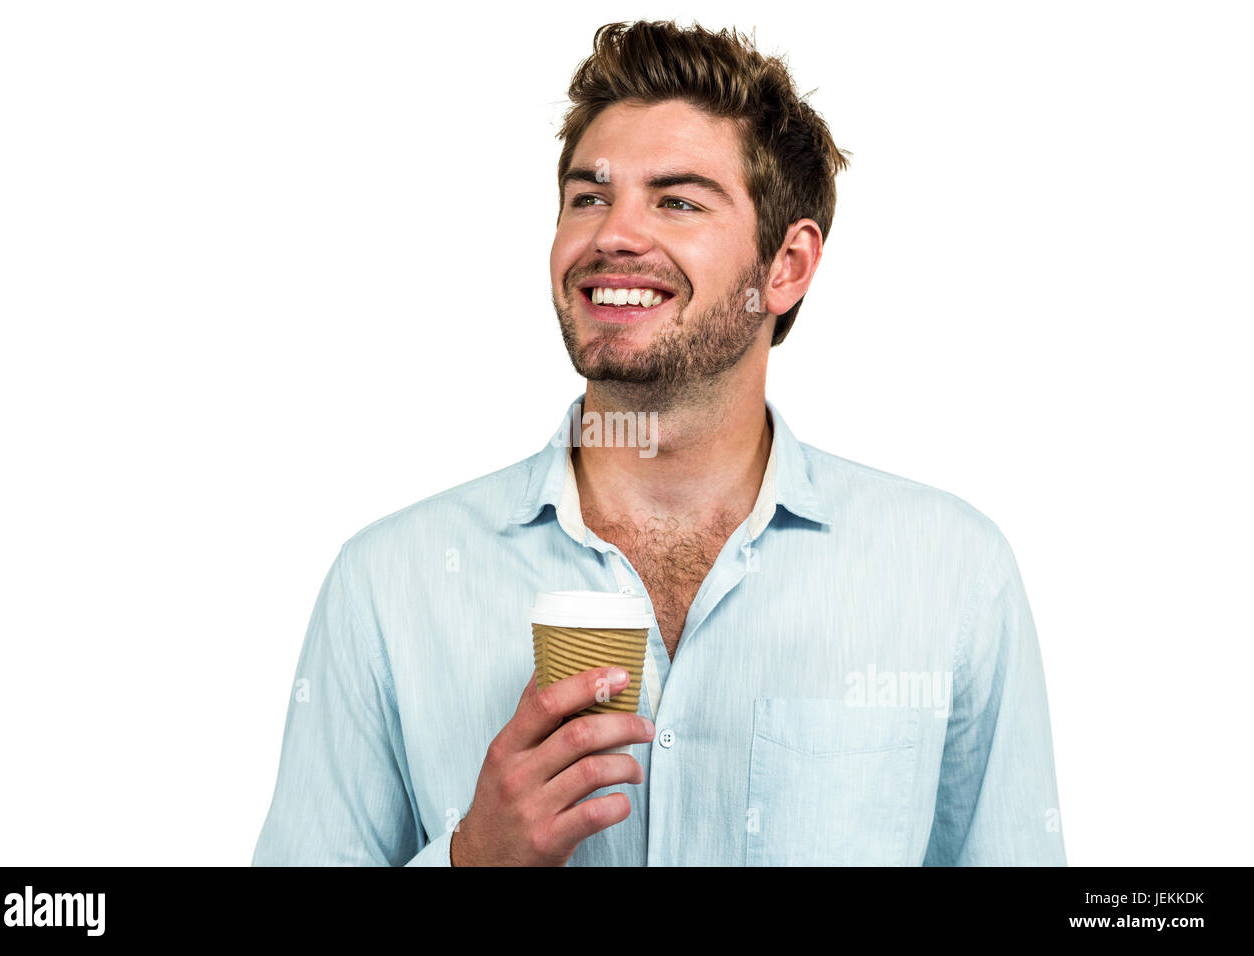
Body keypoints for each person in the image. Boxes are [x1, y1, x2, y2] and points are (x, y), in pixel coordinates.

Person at [252, 19, 1066, 866]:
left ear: (785, 266)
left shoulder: (951, 573)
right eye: (589, 197)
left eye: (676, 200)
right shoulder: (387, 586)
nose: (613, 234)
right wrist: (471, 860)